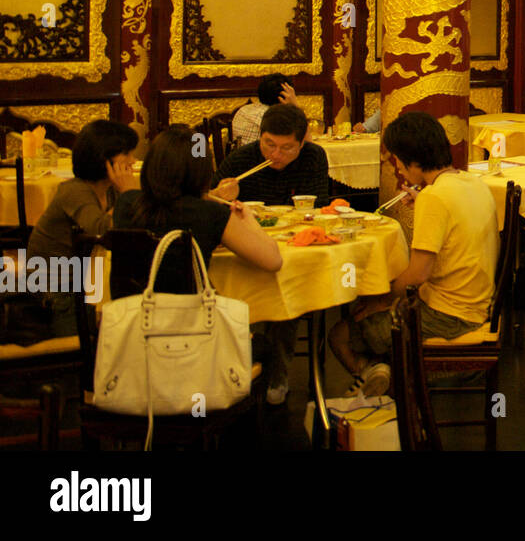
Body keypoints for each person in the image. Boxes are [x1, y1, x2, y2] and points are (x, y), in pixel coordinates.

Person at [329, 112, 498, 398]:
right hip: (481, 305)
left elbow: (417, 275)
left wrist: (379, 300)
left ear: (411, 159)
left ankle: (387, 387)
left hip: (448, 316)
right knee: (378, 312)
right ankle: (382, 376)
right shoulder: (472, 184)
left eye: (396, 159)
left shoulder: (435, 198)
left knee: (340, 335)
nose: (397, 168)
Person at [213, 103, 329, 405]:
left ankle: (278, 375)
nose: (275, 155)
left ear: (303, 142)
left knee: (285, 294)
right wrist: (221, 198)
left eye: (287, 148)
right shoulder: (242, 160)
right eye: (269, 144)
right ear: (260, 137)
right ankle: (237, 373)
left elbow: (321, 208)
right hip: (247, 255)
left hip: (294, 250)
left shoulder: (314, 158)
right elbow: (210, 208)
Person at [113, 125, 281, 294]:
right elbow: (273, 261)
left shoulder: (126, 202)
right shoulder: (210, 213)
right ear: (202, 172)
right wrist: (249, 220)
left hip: (132, 313)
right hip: (188, 317)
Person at [26, 120, 139, 338]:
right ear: (103, 158)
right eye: (127, 154)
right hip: (57, 285)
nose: (133, 162)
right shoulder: (74, 191)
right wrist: (128, 195)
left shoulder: (109, 190)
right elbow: (102, 232)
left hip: (88, 278)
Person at [231, 73, 298, 147]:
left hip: (240, 156)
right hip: (262, 158)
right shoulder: (274, 117)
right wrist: (295, 107)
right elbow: (304, 144)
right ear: (284, 96)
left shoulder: (243, 109)